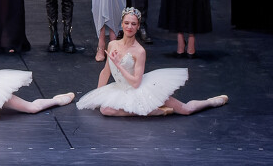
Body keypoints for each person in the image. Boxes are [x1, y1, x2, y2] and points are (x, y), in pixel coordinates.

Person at [77, 8, 226, 116]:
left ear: (138, 26)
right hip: (121, 89)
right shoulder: (113, 44)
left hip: (139, 88)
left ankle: (212, 102)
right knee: (105, 110)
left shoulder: (139, 51)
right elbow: (106, 71)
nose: (129, 27)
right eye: (127, 23)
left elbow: (135, 83)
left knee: (185, 110)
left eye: (133, 24)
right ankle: (149, 110)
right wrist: (98, 94)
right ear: (121, 24)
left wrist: (118, 65)